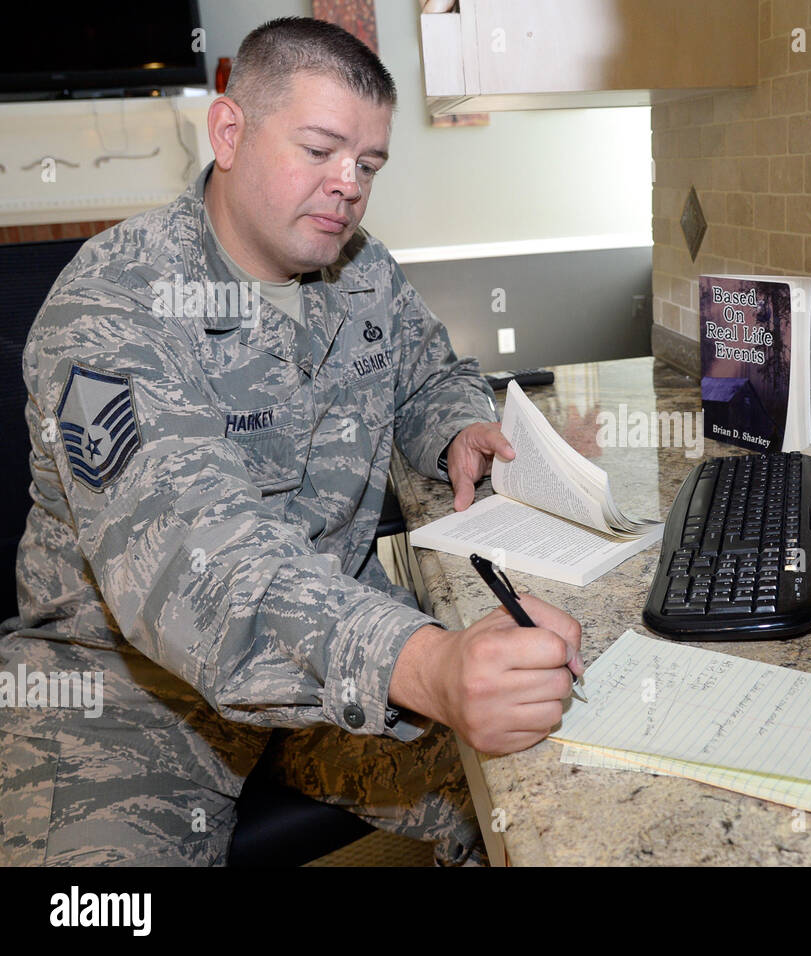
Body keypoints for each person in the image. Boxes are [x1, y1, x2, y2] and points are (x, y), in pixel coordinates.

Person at [0, 17, 583, 866]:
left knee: (537, 807)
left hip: (327, 659)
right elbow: (199, 564)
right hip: (127, 692)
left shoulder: (362, 271)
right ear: (230, 131)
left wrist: (456, 424)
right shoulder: (113, 306)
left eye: (369, 165)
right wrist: (426, 668)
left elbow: (430, 370)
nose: (347, 185)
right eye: (320, 150)